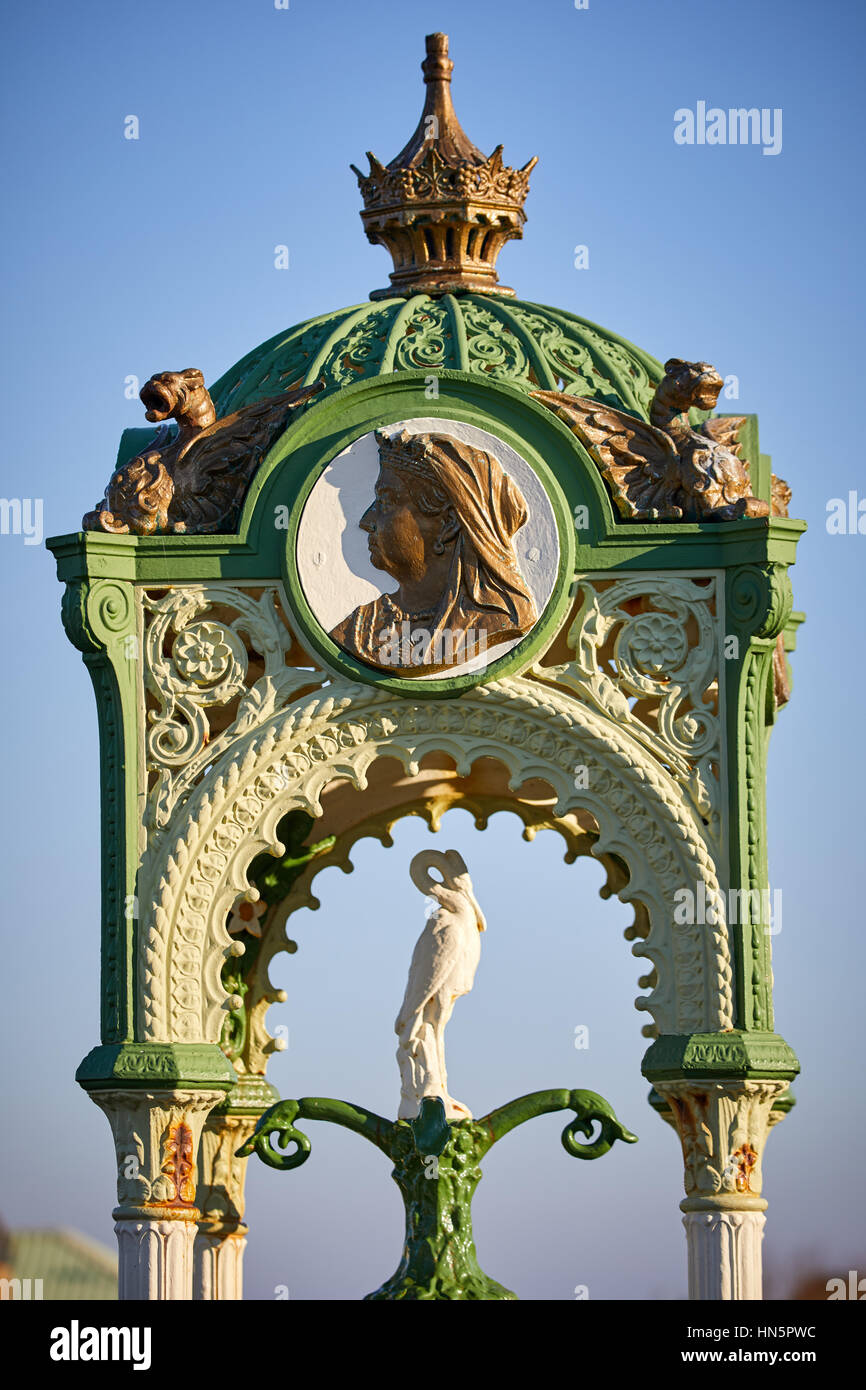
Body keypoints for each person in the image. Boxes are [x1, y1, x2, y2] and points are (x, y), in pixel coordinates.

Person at [329, 429, 537, 675]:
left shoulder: (494, 622)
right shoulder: (360, 627)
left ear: (448, 523)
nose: (367, 520)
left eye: (385, 502)